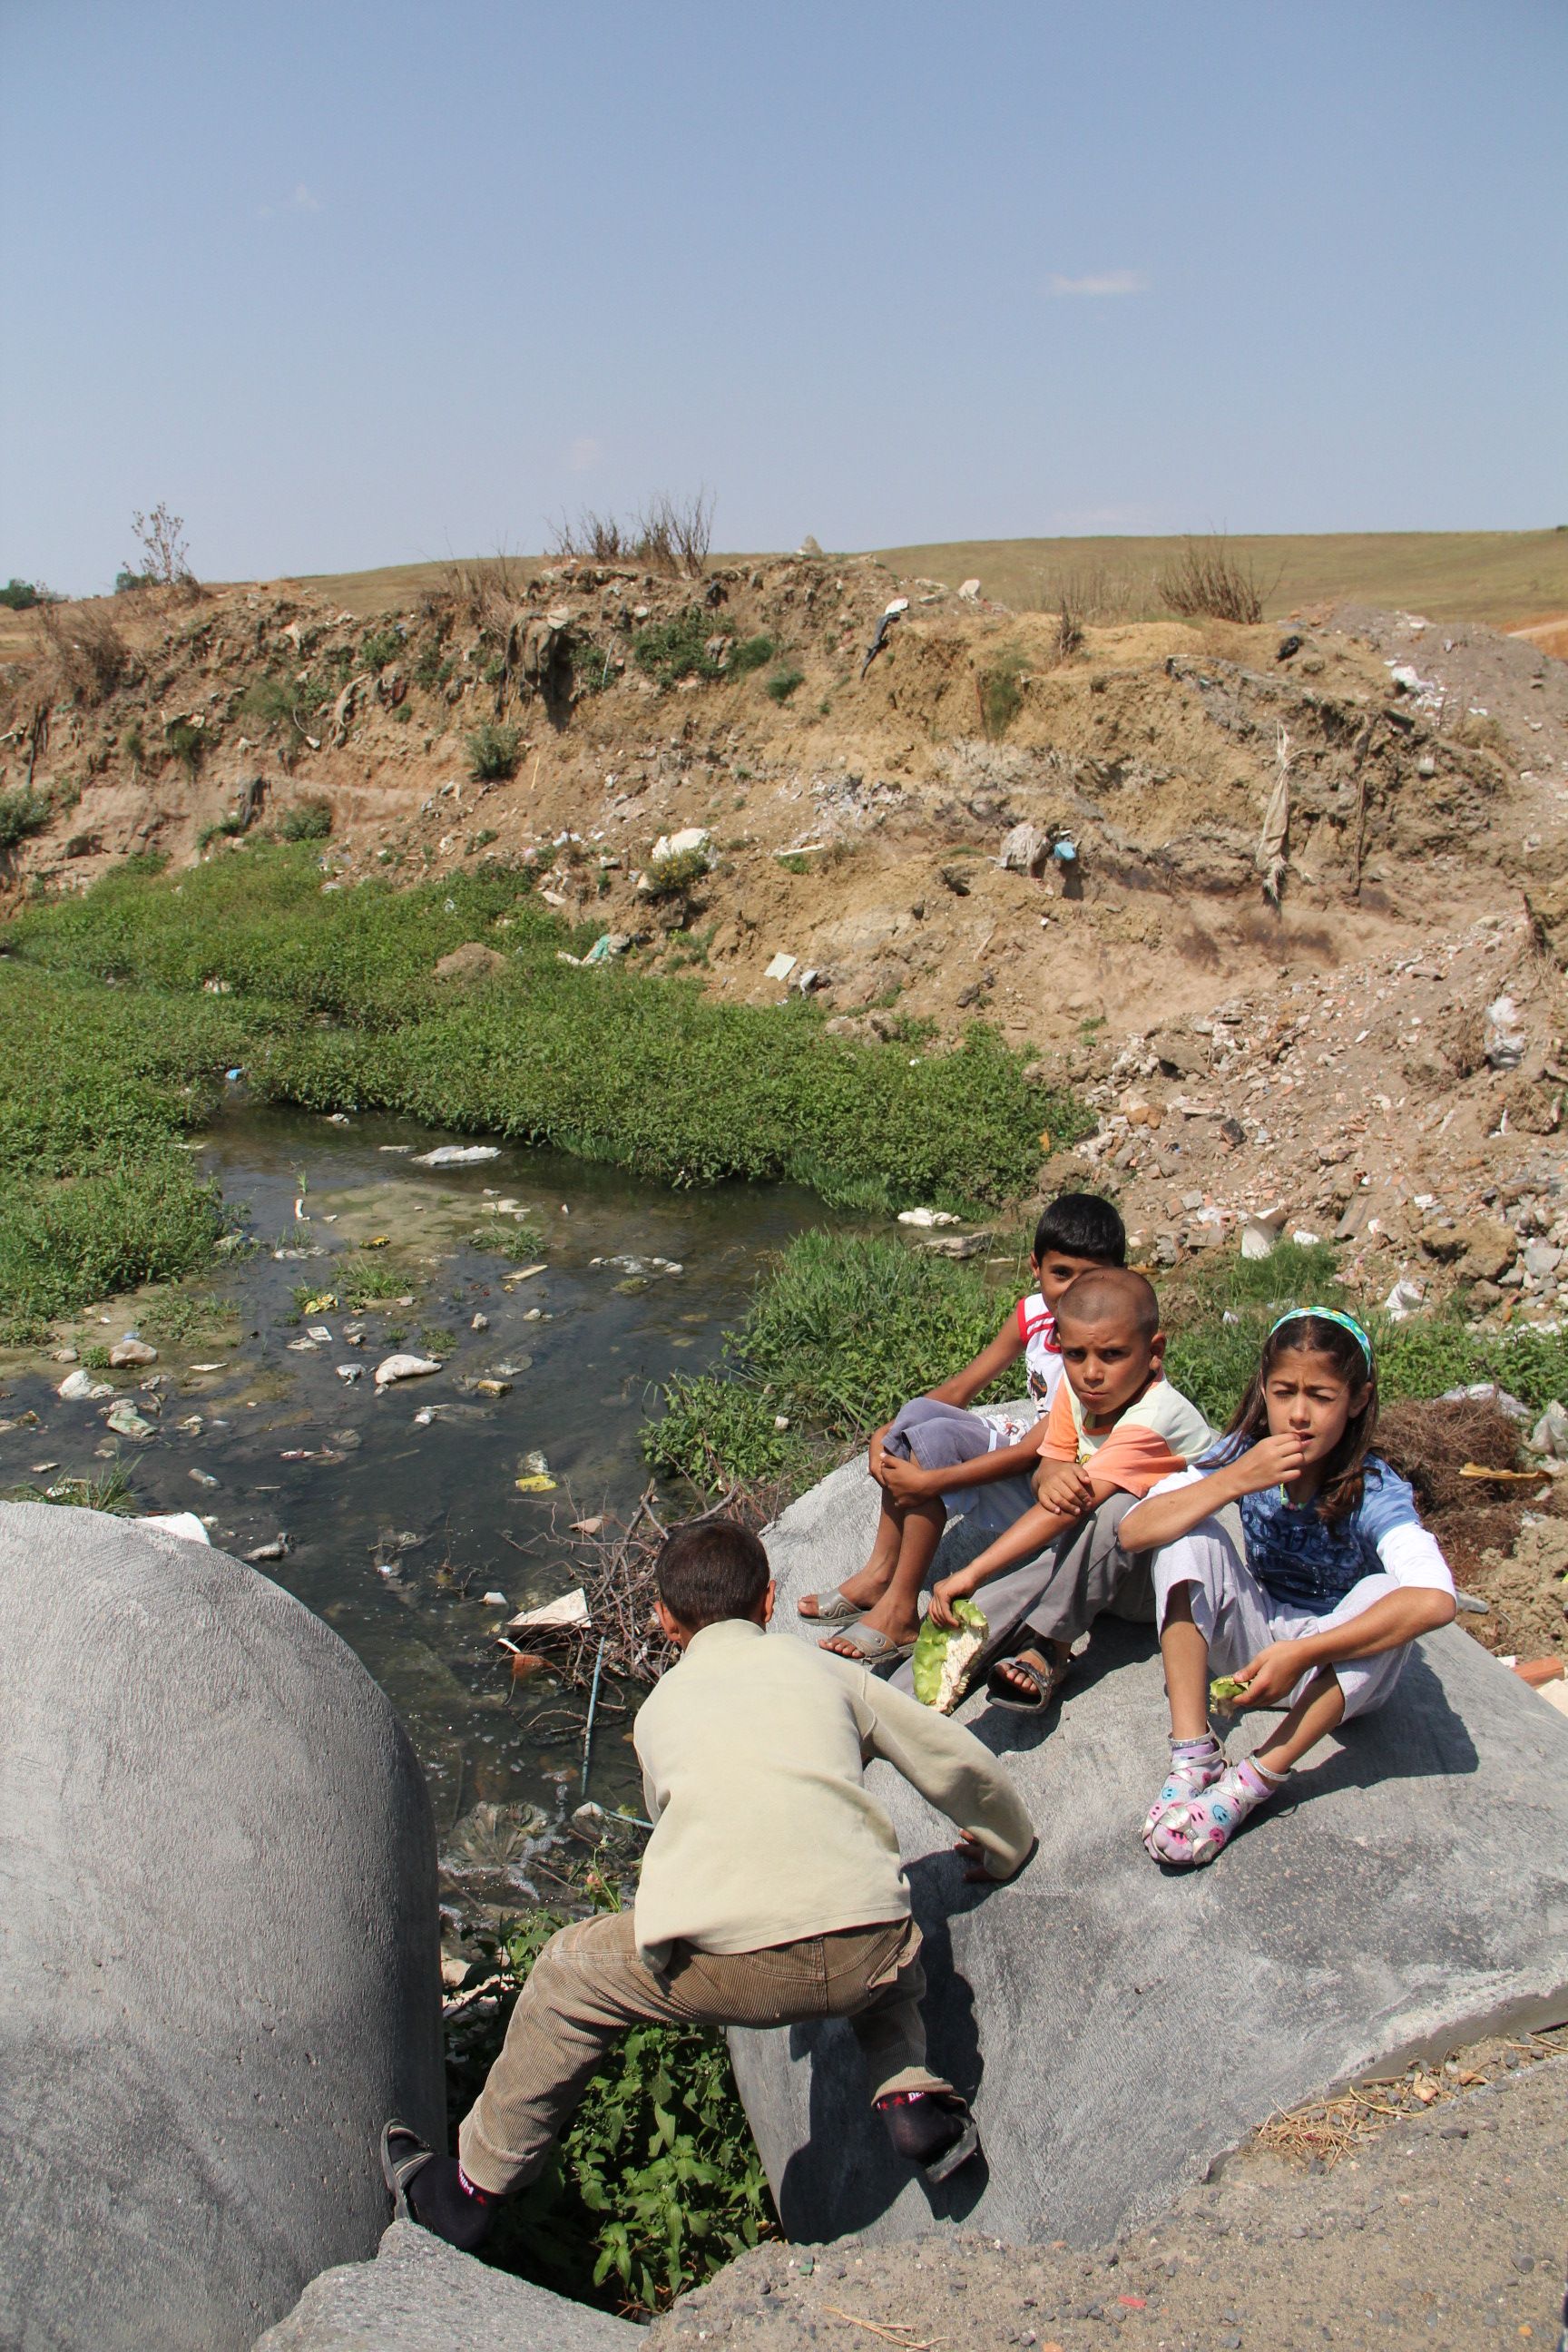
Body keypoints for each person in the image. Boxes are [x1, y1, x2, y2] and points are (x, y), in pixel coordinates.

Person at [381, 1518, 1035, 2247]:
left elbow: (678, 1819)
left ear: (663, 1620)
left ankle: (473, 2186)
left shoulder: (658, 1713)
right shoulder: (829, 1671)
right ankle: (912, 2092)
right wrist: (1007, 1845)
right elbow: (951, 1759)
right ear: (770, 1599)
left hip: (734, 1970)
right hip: (865, 1950)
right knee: (881, 1954)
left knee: (568, 1974)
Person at [1118, 1307, 1456, 1868]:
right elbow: (1134, 1530)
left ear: (1357, 1400)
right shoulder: (1245, 1454)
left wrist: (1302, 1653)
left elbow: (1436, 1599)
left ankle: (1254, 1779)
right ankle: (1193, 1754)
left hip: (1329, 1665)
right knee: (1185, 1536)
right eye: (1283, 1392)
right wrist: (1235, 1479)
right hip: (1256, 1644)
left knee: (1383, 1593)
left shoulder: (1374, 1488)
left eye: (1321, 1396)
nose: (1298, 1415)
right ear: (1264, 1391)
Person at [802, 1193, 1127, 1666]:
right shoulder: (1035, 1316)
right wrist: (887, 1431)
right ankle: (880, 1574)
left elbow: (1036, 1453)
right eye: (1062, 1274)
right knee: (916, 1418)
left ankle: (899, 1611)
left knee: (931, 1447)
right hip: (1036, 1458)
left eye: (1092, 1276)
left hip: (1063, 1485)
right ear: (1036, 1267)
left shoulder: (1101, 1350)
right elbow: (963, 1387)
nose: (1075, 1291)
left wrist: (929, 1482)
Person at [925, 1267, 1213, 1713]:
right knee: (1047, 1556)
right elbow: (1055, 1459)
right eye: (1075, 1355)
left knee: (1112, 1510)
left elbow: (1073, 1509)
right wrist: (1052, 1473)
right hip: (1095, 1563)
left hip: (1156, 1581)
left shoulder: (1154, 1418)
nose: (1091, 1373)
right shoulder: (1080, 1392)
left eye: (1113, 1355)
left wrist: (972, 1572)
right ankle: (930, 1680)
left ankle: (1051, 1645)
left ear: (1154, 1351)